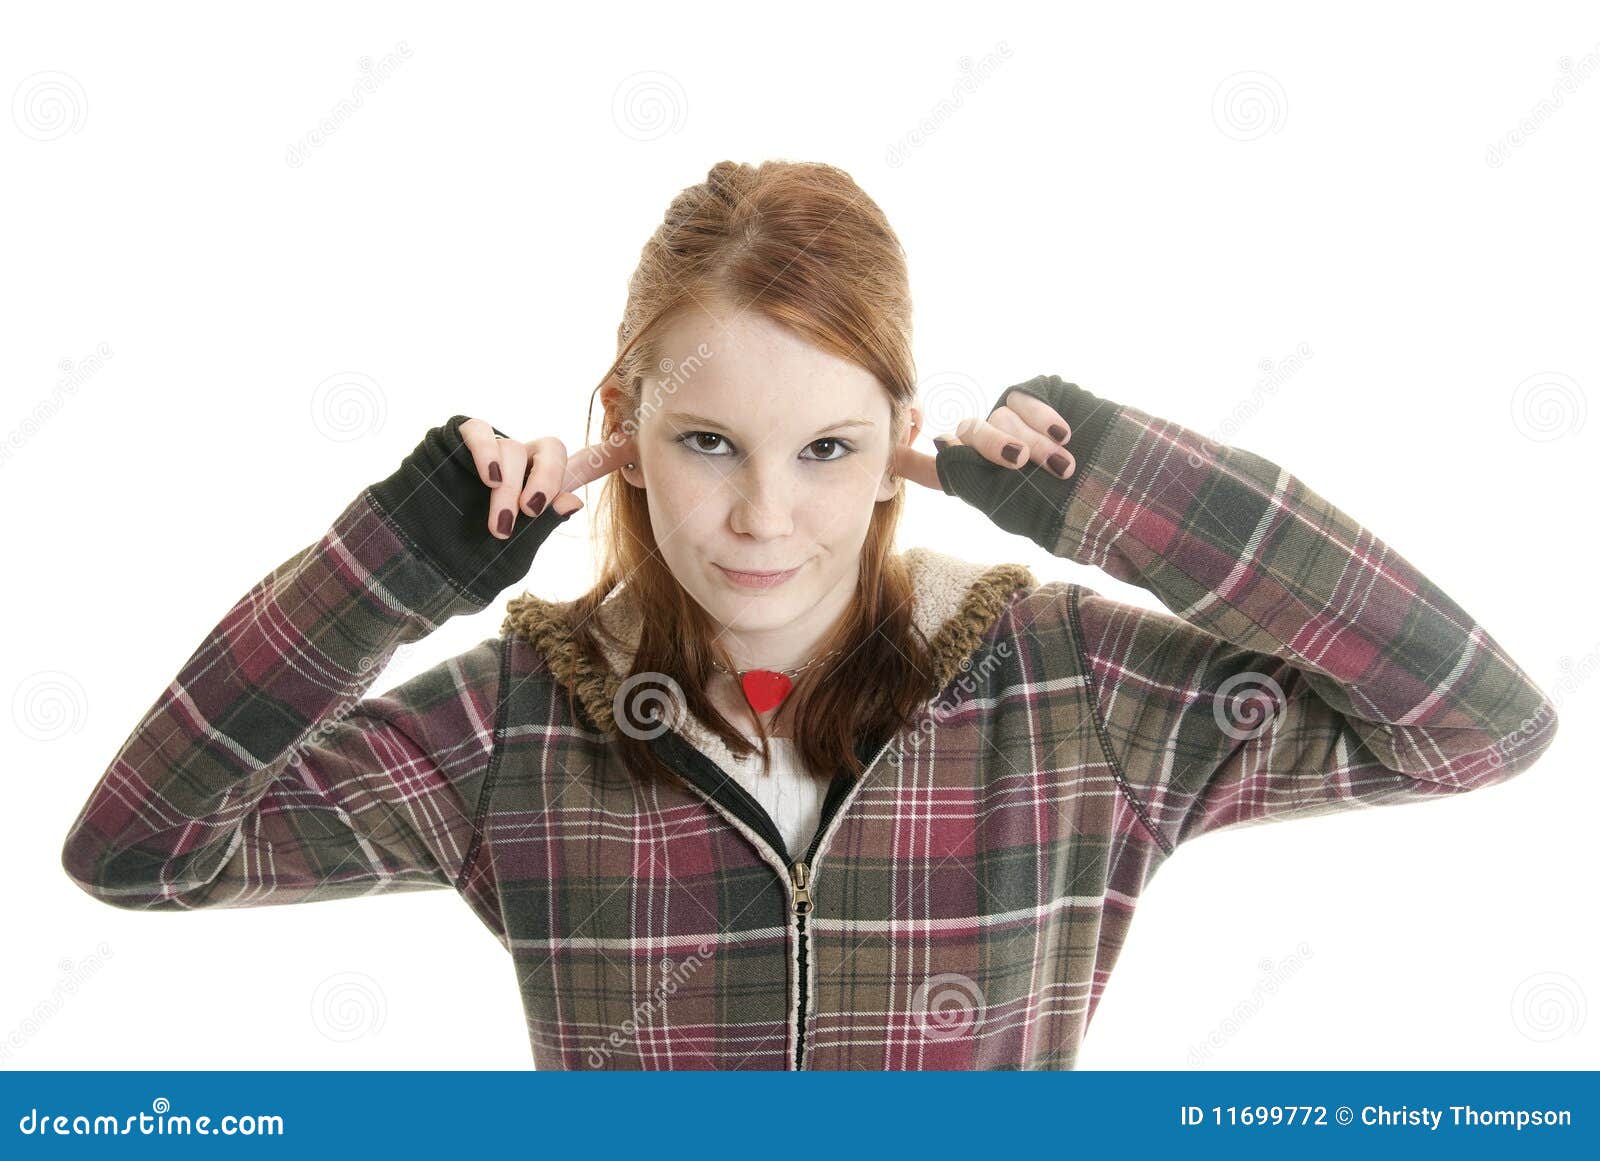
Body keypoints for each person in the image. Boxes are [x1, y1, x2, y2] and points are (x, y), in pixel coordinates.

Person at [60, 159, 1559, 1070]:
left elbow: (1473, 724)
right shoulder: (515, 721)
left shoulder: (1067, 692)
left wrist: (1099, 485)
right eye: (709, 442)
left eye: (827, 448)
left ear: (906, 433)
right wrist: (412, 550)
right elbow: (144, 851)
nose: (766, 516)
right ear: (623, 429)